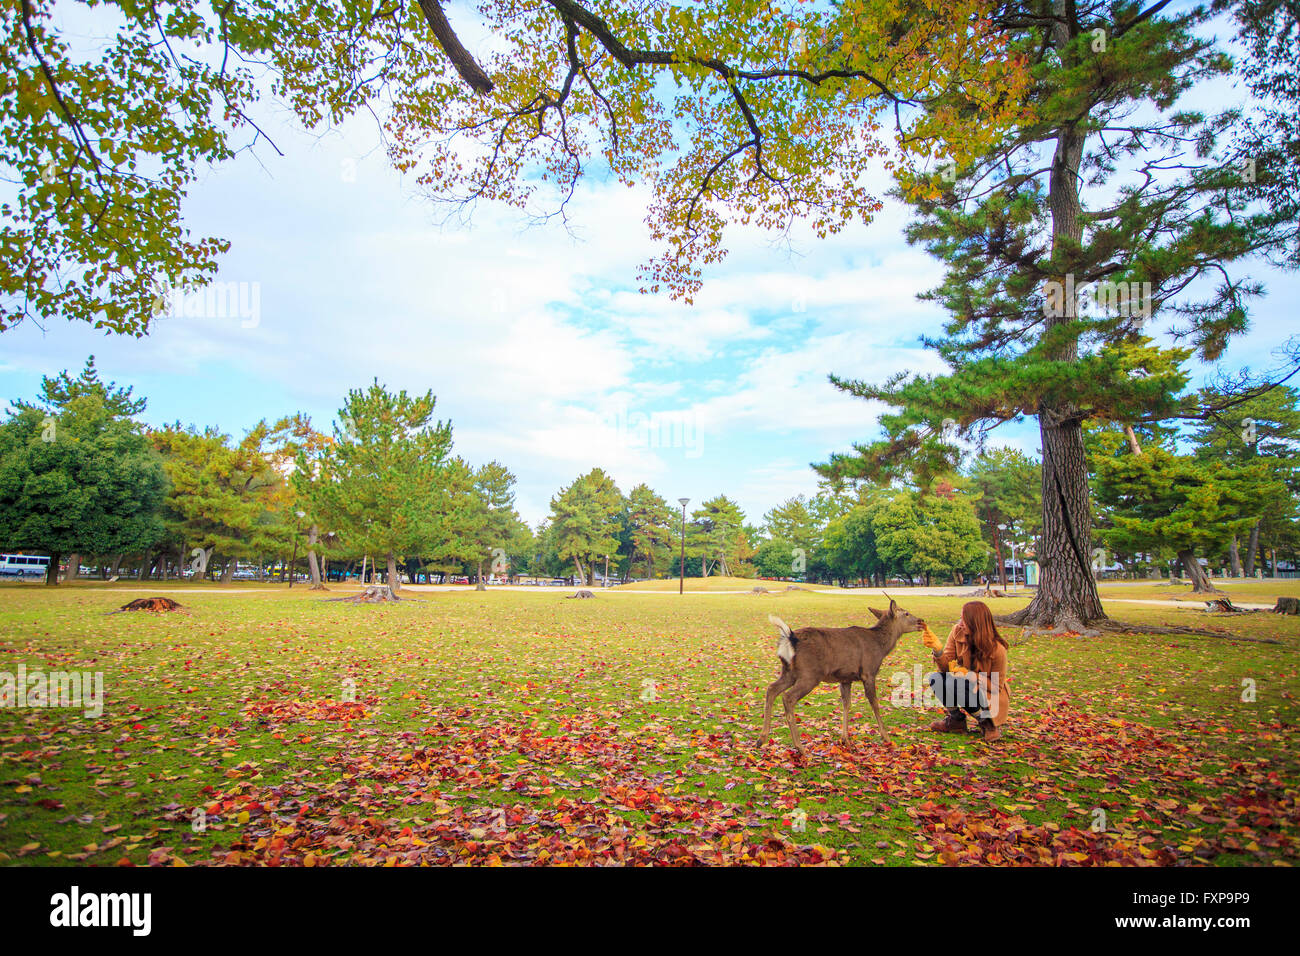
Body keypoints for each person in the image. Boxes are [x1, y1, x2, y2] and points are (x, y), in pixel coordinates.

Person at [924, 601, 1010, 742]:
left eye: (964, 620)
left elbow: (996, 688)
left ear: (976, 623)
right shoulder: (957, 632)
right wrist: (938, 651)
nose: (961, 623)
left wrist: (971, 676)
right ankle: (956, 720)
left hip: (989, 695)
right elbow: (946, 669)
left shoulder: (998, 649)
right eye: (960, 618)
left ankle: (988, 725)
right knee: (936, 679)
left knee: (955, 683)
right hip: (963, 685)